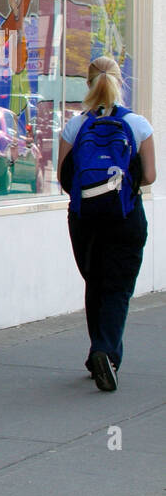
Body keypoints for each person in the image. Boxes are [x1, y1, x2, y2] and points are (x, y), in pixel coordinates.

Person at [57, 56, 155, 392]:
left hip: (85, 218)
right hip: (126, 216)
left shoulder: (75, 125)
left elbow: (64, 178)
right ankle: (106, 352)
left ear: (88, 82)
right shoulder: (138, 124)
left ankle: (99, 352)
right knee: (118, 287)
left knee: (96, 282)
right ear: (119, 81)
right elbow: (151, 177)